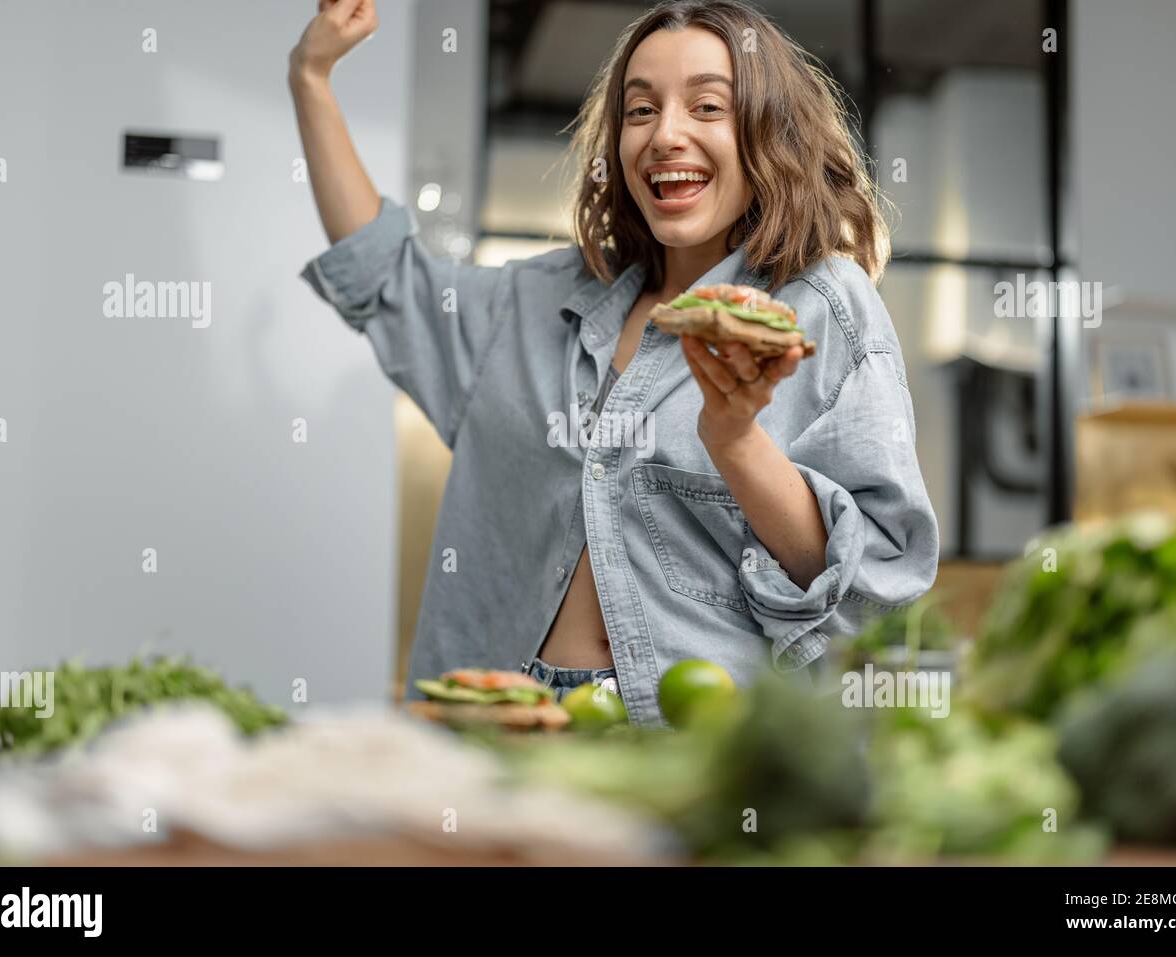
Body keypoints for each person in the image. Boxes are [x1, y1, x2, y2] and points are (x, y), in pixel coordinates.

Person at [289, 0, 939, 725]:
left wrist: (736, 440)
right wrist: (311, 77)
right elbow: (381, 276)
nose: (666, 135)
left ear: (765, 129)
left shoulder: (824, 309)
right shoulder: (532, 302)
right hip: (495, 724)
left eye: (707, 106)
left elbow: (874, 584)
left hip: (691, 743)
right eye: (640, 110)